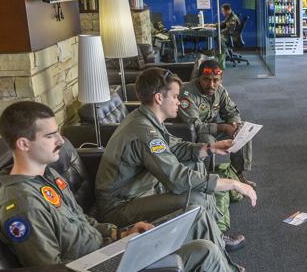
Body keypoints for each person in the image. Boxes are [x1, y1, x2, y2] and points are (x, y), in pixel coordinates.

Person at [0, 102, 270, 272]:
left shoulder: (47, 177)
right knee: (204, 251)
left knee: (192, 219)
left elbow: (82, 223)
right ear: (24, 143)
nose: (61, 141)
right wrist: (113, 254)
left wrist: (119, 234)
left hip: (110, 251)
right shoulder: (20, 205)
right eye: (51, 135)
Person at [94, 67, 255, 252]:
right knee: (196, 197)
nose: (179, 102)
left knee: (195, 161)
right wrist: (232, 184)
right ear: (159, 98)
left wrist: (209, 148)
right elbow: (177, 179)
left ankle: (213, 232)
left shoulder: (146, 118)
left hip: (138, 190)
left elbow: (175, 146)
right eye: (175, 96)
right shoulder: (145, 131)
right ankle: (215, 242)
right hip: (120, 207)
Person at [178, 58, 255, 186]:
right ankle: (206, 180)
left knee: (242, 131)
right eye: (206, 79)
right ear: (199, 78)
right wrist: (224, 127)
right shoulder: (187, 93)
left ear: (221, 80)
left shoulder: (220, 90)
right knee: (207, 140)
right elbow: (193, 126)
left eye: (216, 80)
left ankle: (237, 174)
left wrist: (234, 124)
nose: (211, 84)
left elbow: (231, 111)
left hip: (214, 128)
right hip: (192, 133)